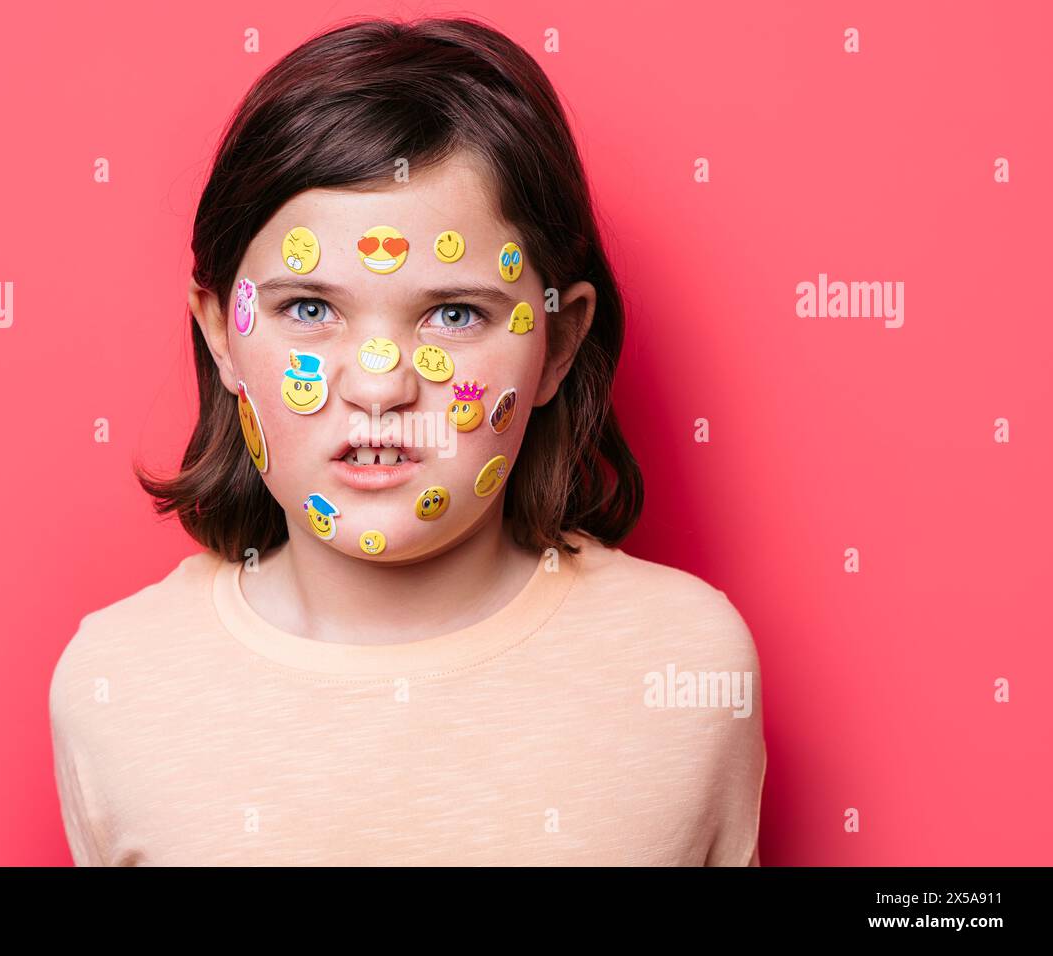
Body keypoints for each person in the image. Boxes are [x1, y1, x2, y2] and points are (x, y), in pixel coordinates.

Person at [49, 16, 765, 866]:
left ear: (558, 345)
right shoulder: (117, 684)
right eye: (309, 310)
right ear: (221, 335)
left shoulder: (684, 664)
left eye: (455, 313)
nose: (381, 385)